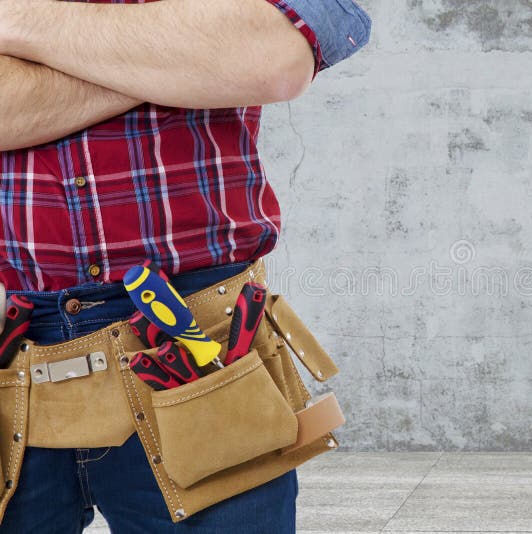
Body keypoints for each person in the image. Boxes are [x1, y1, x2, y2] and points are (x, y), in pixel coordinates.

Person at [0, 0, 371, 532]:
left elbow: (271, 56)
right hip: (15, 349)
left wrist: (17, 24)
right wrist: (181, 62)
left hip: (200, 335)